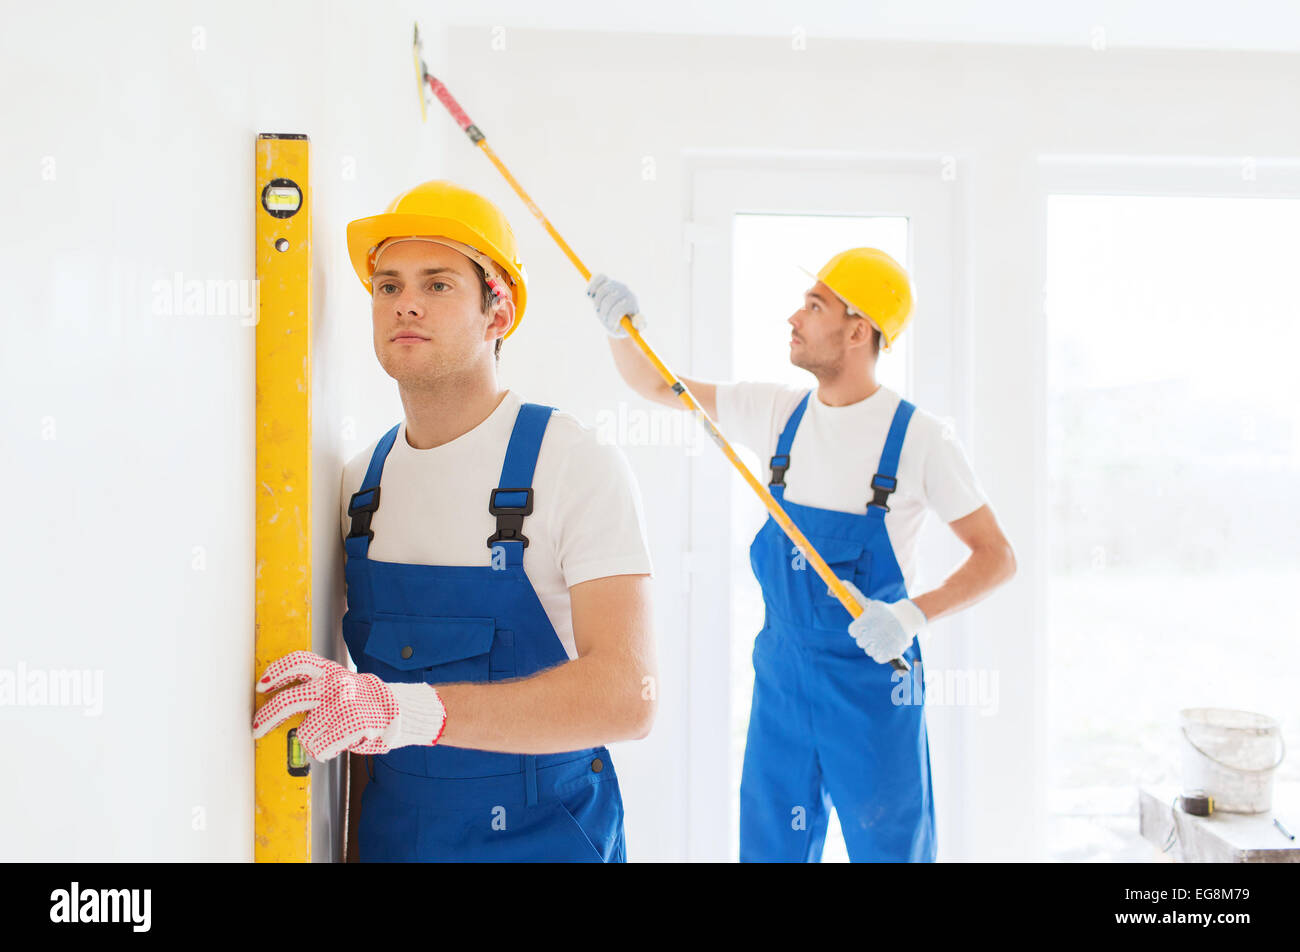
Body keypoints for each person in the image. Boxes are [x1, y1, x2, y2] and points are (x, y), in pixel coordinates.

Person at [253, 180, 657, 862]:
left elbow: (628, 695)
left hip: (547, 843)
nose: (404, 302)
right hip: (398, 843)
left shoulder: (572, 463)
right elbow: (361, 711)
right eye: (387, 285)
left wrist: (409, 712)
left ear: (497, 311)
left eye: (437, 284)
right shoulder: (360, 488)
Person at [586, 249, 1015, 861]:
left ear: (859, 330)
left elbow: (997, 556)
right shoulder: (777, 413)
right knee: (770, 847)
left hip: (872, 684)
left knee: (891, 848)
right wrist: (621, 331)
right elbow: (659, 383)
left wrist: (911, 616)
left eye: (815, 306)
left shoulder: (919, 438)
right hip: (783, 676)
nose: (794, 317)